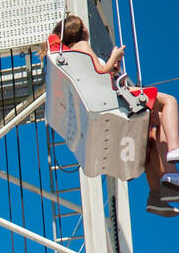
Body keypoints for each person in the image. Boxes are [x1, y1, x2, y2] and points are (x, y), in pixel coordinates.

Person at [51, 16, 179, 216]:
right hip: (113, 98)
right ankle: (174, 151)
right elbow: (101, 72)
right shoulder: (82, 46)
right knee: (169, 102)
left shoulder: (69, 56)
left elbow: (95, 74)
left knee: (150, 139)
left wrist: (113, 66)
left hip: (106, 99)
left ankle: (158, 194)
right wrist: (114, 56)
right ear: (82, 30)